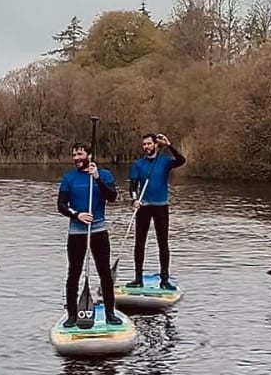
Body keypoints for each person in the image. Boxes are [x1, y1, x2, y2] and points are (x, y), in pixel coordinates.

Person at [58, 141, 120, 326]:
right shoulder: (69, 178)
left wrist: (98, 178)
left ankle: (110, 313)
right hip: (76, 231)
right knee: (74, 273)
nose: (76, 158)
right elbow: (61, 206)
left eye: (80, 155)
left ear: (89, 156)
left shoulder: (105, 174)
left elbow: (112, 197)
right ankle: (71, 314)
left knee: (104, 273)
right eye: (74, 155)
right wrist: (77, 214)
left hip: (98, 229)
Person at [126, 133, 186, 290]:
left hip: (161, 206)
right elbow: (132, 185)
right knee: (139, 243)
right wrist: (134, 199)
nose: (146, 147)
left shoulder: (165, 162)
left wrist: (169, 145)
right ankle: (138, 278)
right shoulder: (138, 164)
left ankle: (164, 279)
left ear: (155, 145)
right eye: (144, 144)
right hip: (144, 206)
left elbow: (181, 161)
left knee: (163, 243)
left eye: (149, 144)